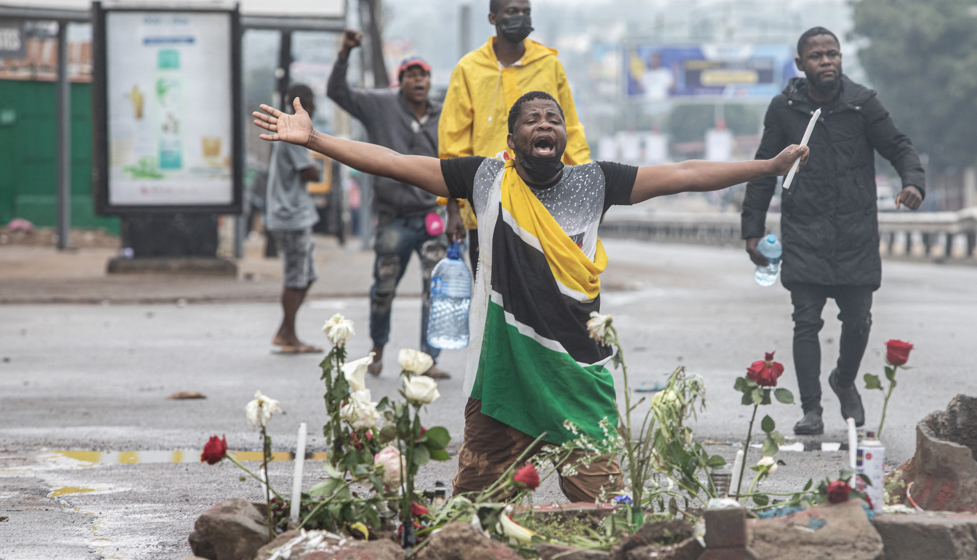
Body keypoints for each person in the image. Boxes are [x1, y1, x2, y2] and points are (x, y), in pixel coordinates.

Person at [254, 90, 808, 501]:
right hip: (504, 372)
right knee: (474, 508)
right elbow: (399, 164)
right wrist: (316, 140)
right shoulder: (485, 178)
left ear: (563, 135)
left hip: (577, 371)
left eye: (554, 118)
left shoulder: (597, 182)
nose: (545, 124)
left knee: (603, 509)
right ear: (513, 138)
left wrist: (767, 166)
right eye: (531, 119)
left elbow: (685, 173)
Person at [741, 27, 925, 437]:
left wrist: (912, 182)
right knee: (806, 322)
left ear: (841, 59)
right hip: (804, 231)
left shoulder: (862, 105)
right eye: (817, 56)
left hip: (856, 233)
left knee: (858, 321)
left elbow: (898, 146)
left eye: (832, 54)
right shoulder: (784, 109)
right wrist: (752, 229)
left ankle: (843, 380)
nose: (826, 61)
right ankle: (811, 410)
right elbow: (763, 170)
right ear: (800, 64)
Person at [328, 31, 449, 379]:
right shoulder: (380, 105)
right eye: (411, 74)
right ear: (401, 82)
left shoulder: (445, 113)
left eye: (423, 74)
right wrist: (345, 53)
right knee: (383, 289)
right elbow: (338, 93)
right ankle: (377, 350)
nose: (419, 80)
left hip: (431, 216)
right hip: (393, 218)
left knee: (435, 290)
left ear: (429, 81)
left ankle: (429, 360)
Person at [439, 0, 591, 272]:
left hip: (546, 200)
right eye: (512, 12)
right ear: (492, 18)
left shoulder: (549, 64)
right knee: (490, 287)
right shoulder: (469, 69)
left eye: (526, 12)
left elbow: (571, 130)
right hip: (486, 201)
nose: (520, 18)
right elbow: (454, 141)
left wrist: (585, 185)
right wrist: (452, 210)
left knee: (546, 288)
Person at [265, 84, 324, 354]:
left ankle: (284, 330)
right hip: (291, 216)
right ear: (307, 104)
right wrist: (319, 164)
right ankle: (289, 335)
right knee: (295, 277)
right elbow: (310, 172)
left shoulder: (289, 129)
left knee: (307, 275)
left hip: (294, 214)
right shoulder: (293, 132)